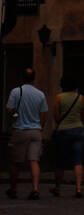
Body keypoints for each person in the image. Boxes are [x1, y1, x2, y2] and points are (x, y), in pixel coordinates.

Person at [5, 67, 48, 199]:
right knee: (34, 160)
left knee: (15, 162)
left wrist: (16, 114)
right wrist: (40, 127)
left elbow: (9, 110)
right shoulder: (40, 94)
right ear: (34, 78)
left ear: (22, 78)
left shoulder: (16, 92)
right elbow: (44, 114)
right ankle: (35, 189)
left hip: (20, 130)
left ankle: (13, 189)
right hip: (35, 131)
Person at [50, 73, 84, 198]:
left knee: (60, 161)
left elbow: (55, 116)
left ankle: (58, 188)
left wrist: (62, 122)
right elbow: (83, 116)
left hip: (63, 131)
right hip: (78, 130)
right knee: (78, 160)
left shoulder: (59, 97)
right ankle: (79, 188)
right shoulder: (80, 98)